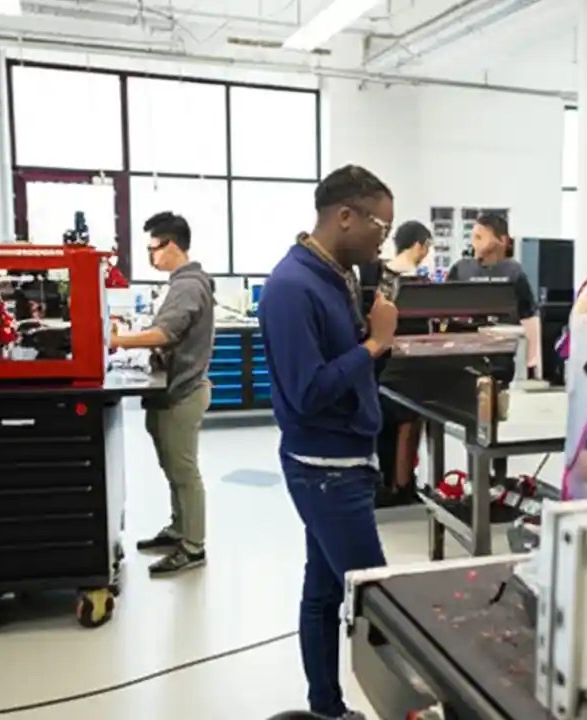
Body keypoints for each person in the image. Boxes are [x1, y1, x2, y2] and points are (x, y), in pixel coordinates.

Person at [259, 164, 396, 720]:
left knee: (323, 593)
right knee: (382, 605)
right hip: (325, 469)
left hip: (347, 459)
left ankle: (326, 710)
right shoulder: (291, 287)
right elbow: (308, 391)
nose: (382, 239)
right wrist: (375, 344)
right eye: (379, 227)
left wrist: (370, 341)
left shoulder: (338, 274)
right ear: (345, 216)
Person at [110, 211, 215, 576]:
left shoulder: (187, 285)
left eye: (153, 248)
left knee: (184, 471)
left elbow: (166, 334)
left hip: (183, 392)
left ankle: (193, 546)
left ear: (171, 245)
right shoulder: (181, 282)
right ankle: (178, 528)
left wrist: (118, 341)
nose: (151, 256)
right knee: (172, 467)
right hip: (172, 391)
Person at [359, 221, 433, 508]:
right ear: (419, 245)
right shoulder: (417, 282)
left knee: (384, 426)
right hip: (408, 364)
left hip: (377, 360)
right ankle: (401, 486)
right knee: (407, 423)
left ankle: (386, 483)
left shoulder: (378, 276)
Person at [447, 213, 541, 376]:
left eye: (480, 237)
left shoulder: (514, 271)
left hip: (502, 355)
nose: (475, 242)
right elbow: (444, 310)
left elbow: (528, 316)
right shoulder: (461, 269)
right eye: (474, 237)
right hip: (465, 355)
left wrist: (533, 362)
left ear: (502, 240)